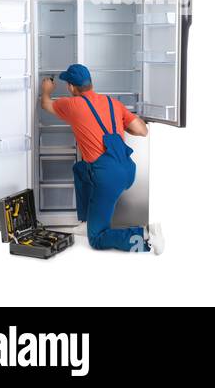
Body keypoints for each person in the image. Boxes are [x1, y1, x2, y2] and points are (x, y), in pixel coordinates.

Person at [39, 64, 164, 254]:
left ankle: (146, 236)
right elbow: (142, 130)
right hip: (127, 169)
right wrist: (122, 125)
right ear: (90, 83)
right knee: (80, 169)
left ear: (71, 87)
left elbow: (46, 104)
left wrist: (46, 90)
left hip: (108, 178)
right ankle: (87, 221)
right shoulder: (113, 103)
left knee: (97, 239)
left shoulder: (72, 105)